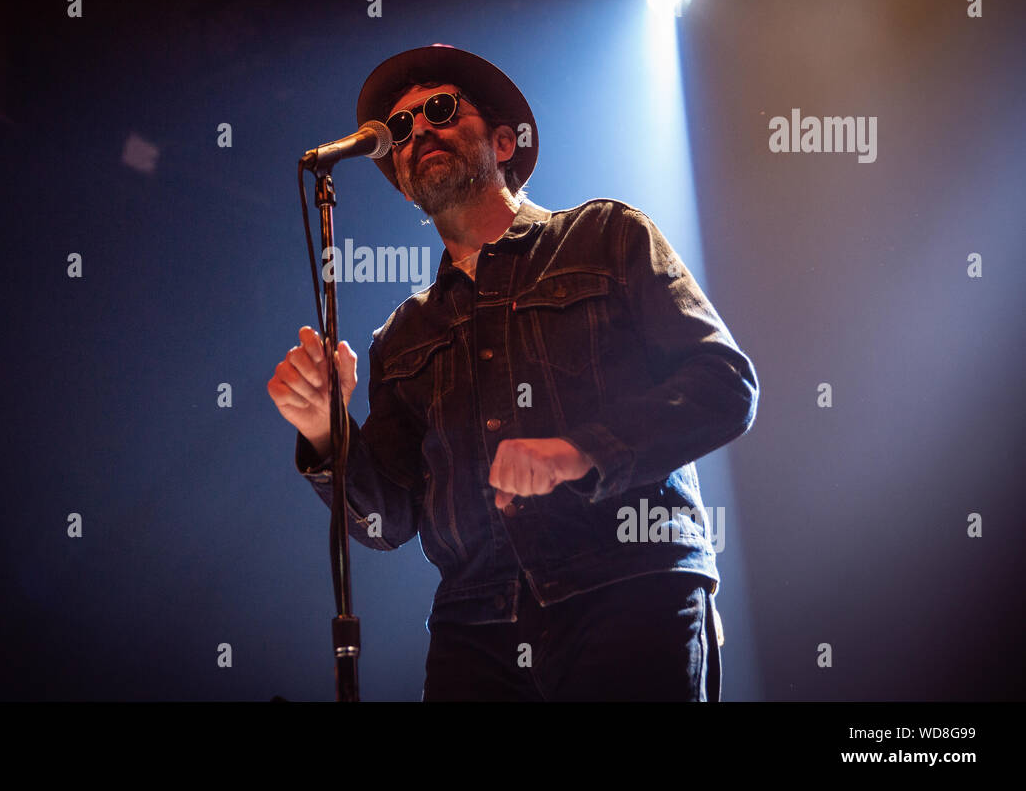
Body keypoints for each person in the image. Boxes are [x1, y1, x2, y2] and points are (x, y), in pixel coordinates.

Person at [267, 44, 758, 701]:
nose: (419, 131)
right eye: (401, 128)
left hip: (630, 586)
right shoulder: (403, 335)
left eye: (439, 108)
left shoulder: (606, 236)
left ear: (503, 141)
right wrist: (325, 432)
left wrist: (579, 451)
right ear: (403, 180)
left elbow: (724, 384)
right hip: (475, 627)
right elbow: (388, 521)